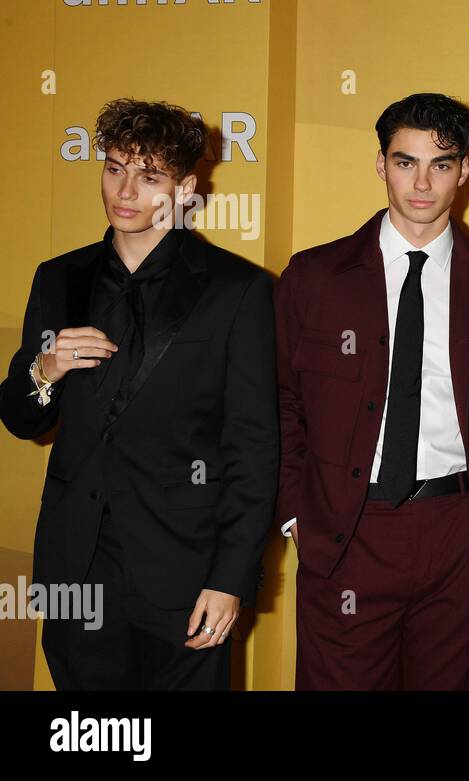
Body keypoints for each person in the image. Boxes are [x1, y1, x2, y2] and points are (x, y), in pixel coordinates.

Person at [0, 98, 278, 690]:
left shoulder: (237, 290)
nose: (126, 190)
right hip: (77, 568)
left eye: (149, 176)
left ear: (183, 188)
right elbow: (20, 420)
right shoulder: (59, 278)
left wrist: (231, 579)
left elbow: (253, 449)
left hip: (186, 570)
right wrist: (42, 370)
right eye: (115, 168)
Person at [276, 93, 469, 689]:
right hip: (346, 530)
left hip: (456, 536)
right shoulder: (314, 279)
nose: (422, 182)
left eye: (441, 164)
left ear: (466, 171)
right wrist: (297, 518)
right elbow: (281, 403)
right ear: (380, 164)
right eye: (404, 161)